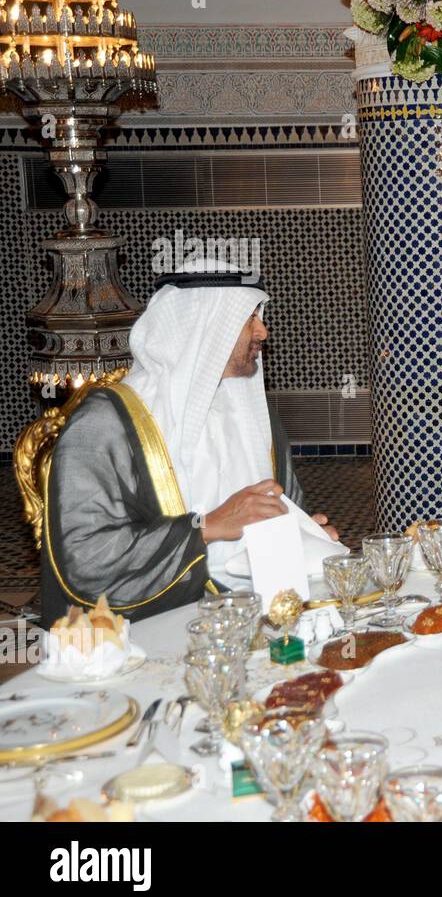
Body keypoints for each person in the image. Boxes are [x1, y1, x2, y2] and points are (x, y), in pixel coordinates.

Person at [40, 261, 338, 626]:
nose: (263, 331)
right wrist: (205, 528)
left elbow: (281, 508)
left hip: (259, 614)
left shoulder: (254, 414)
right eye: (249, 319)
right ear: (208, 325)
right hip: (152, 632)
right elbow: (87, 557)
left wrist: (305, 537)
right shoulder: (104, 425)